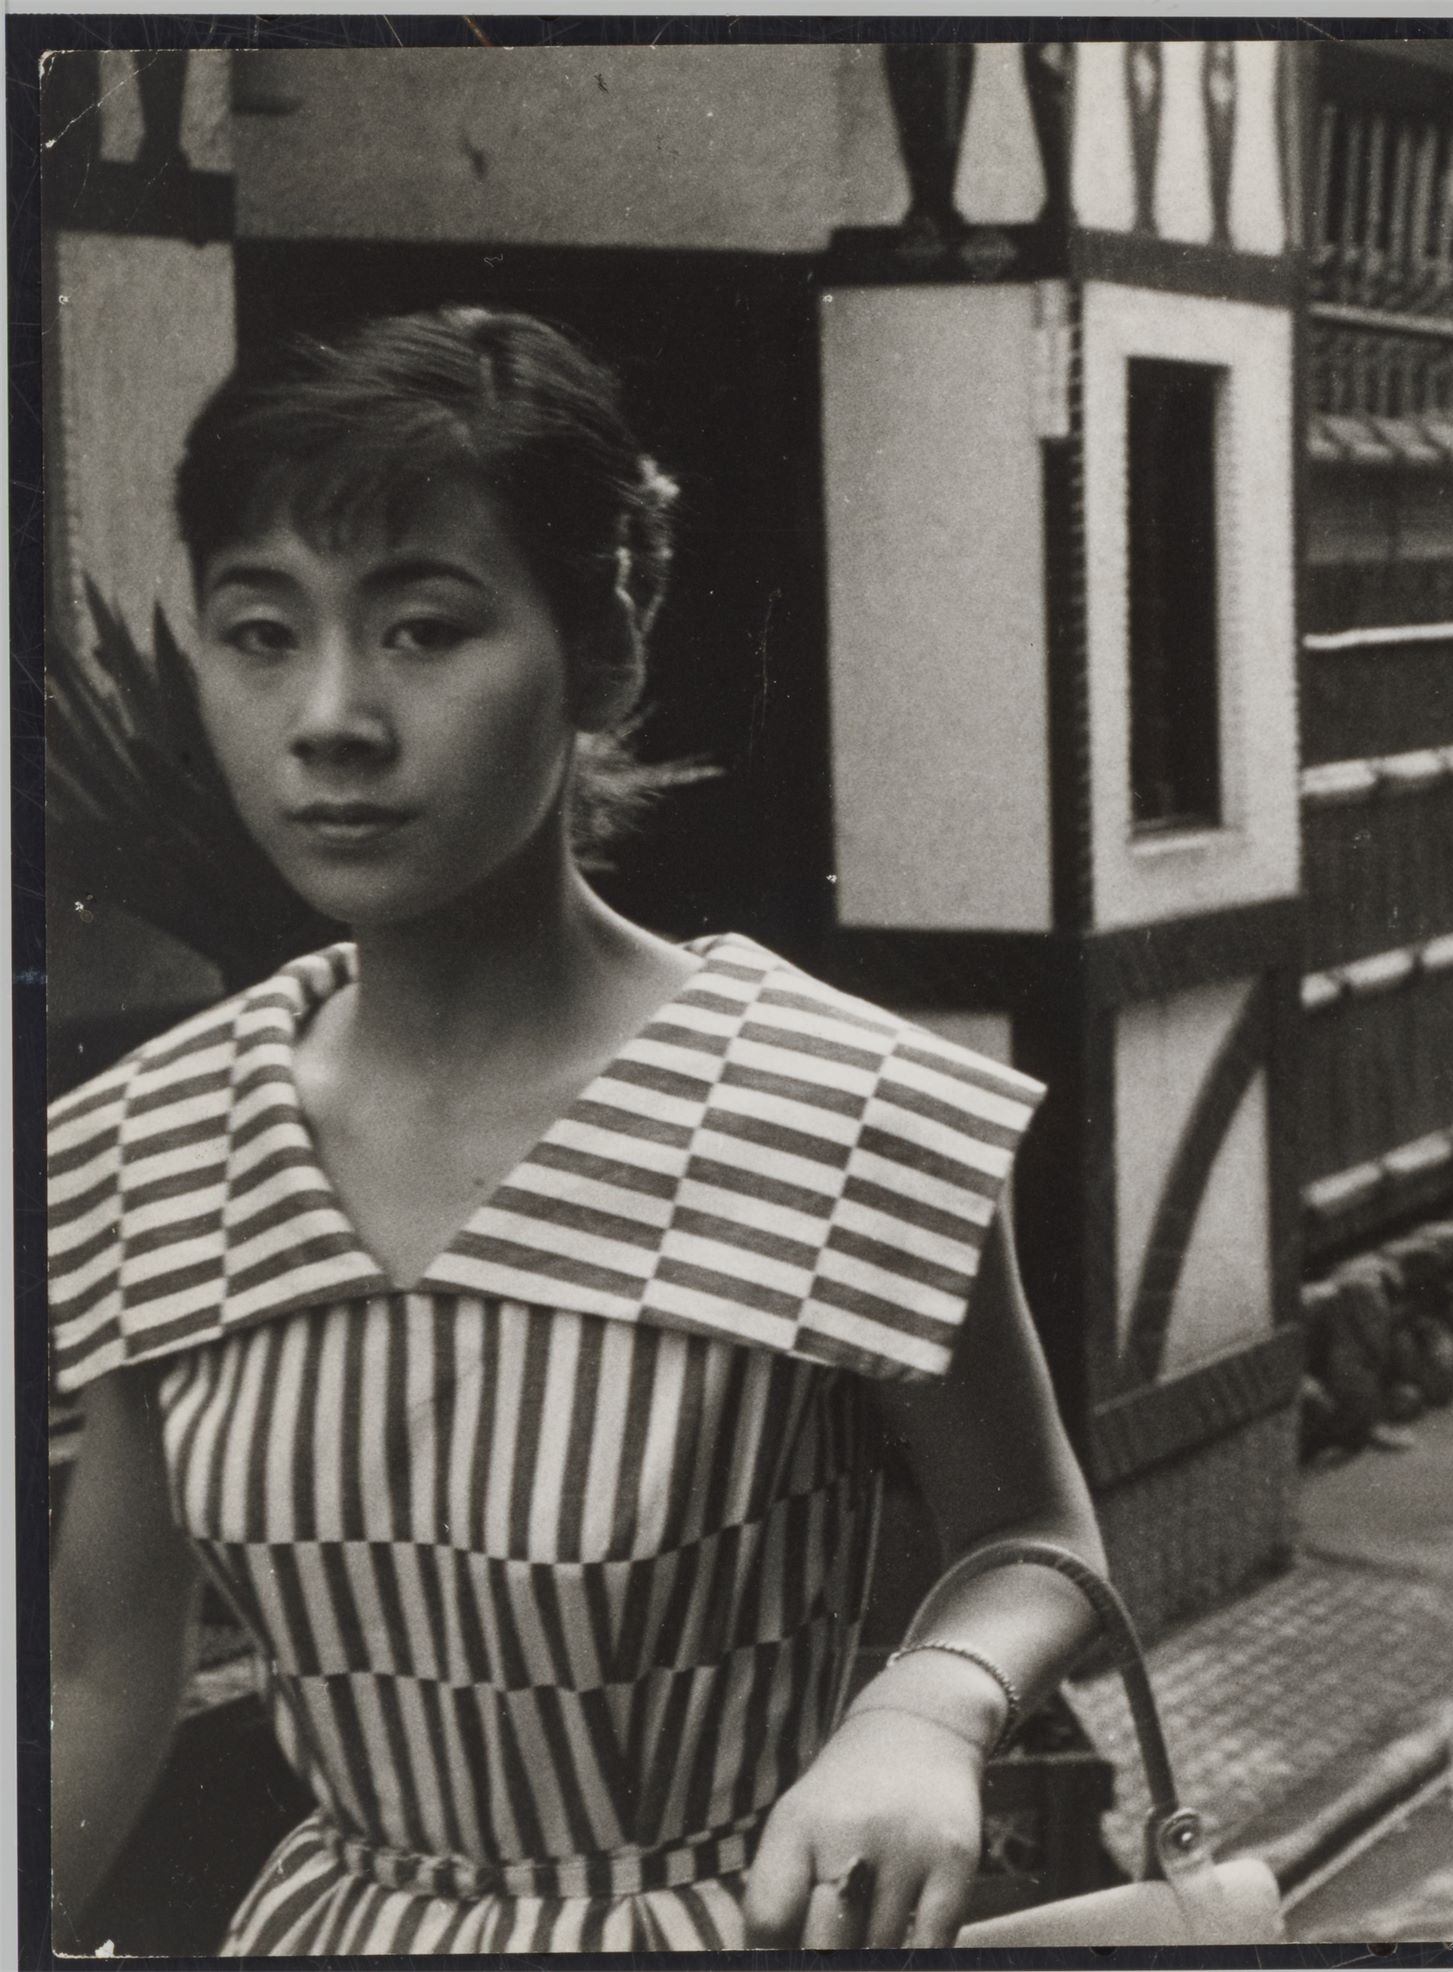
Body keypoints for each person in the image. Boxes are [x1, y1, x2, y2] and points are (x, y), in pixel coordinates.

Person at [45, 307, 1105, 1955]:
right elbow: (101, 1666)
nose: (330, 715)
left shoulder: (840, 1110)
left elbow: (1028, 1530)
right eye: (262, 632)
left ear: (600, 645)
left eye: (422, 630)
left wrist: (929, 1709)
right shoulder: (157, 1141)